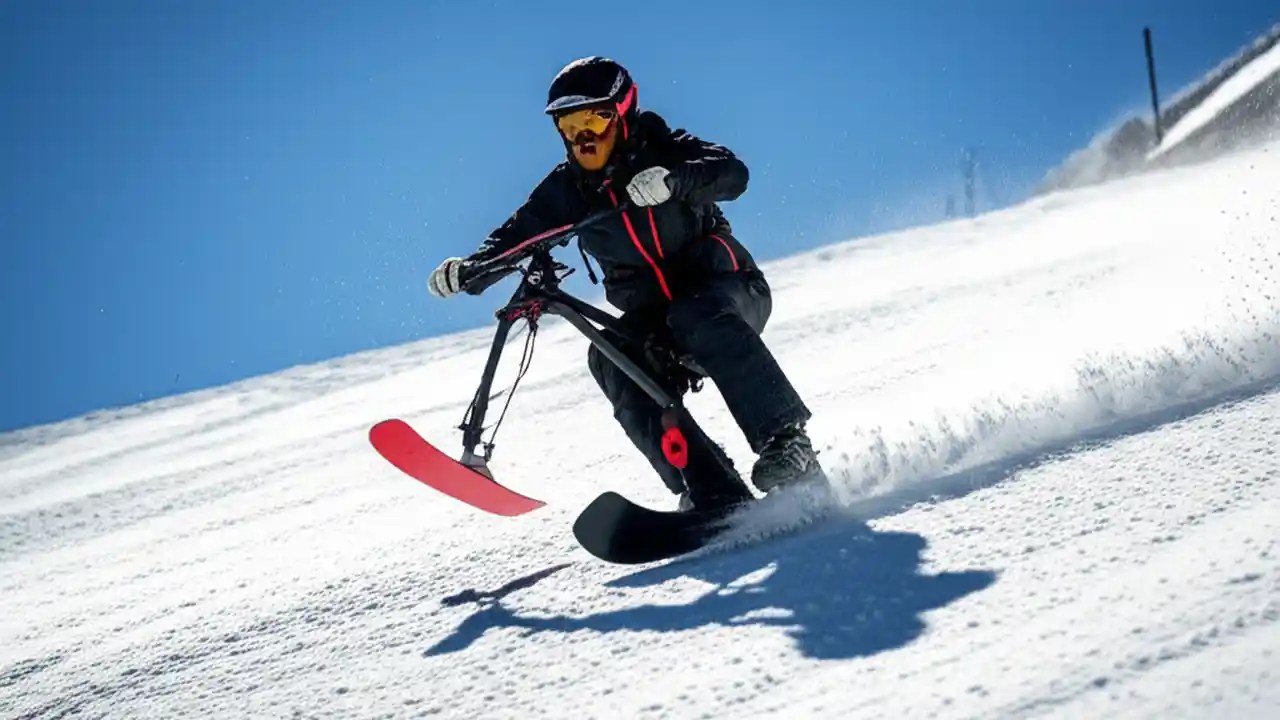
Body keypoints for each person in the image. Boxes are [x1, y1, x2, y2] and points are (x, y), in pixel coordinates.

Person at [427, 56, 822, 511]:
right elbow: (518, 235)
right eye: (569, 124)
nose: (582, 135)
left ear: (622, 113)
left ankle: (788, 444)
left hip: (728, 293)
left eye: (592, 118)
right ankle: (708, 488)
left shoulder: (665, 150)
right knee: (611, 356)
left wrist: (674, 181)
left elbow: (733, 174)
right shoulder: (568, 191)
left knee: (695, 312)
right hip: (659, 323)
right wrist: (471, 269)